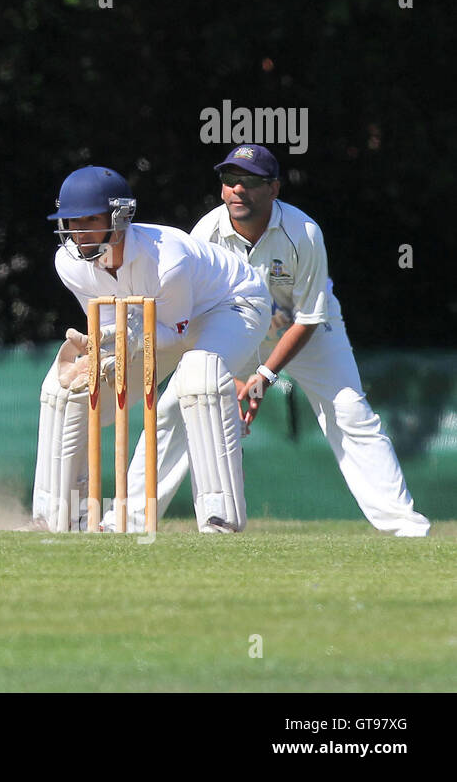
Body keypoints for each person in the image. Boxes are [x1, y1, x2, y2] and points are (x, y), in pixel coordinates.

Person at [124, 145, 427, 536]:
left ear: (274, 189)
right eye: (230, 181)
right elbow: (192, 315)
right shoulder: (206, 232)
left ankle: (405, 527)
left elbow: (310, 317)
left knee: (350, 411)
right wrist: (224, 376)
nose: (237, 190)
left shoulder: (303, 232)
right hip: (232, 326)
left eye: (250, 182)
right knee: (174, 408)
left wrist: (263, 377)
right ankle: (127, 523)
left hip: (305, 331)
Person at [30, 165, 272, 532]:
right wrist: (99, 352)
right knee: (64, 389)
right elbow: (116, 326)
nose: (79, 233)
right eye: (72, 222)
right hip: (157, 323)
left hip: (231, 306)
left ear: (119, 217)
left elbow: (176, 335)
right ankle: (58, 518)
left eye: (90, 220)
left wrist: (124, 339)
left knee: (199, 379)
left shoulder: (166, 261)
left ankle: (220, 519)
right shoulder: (70, 264)